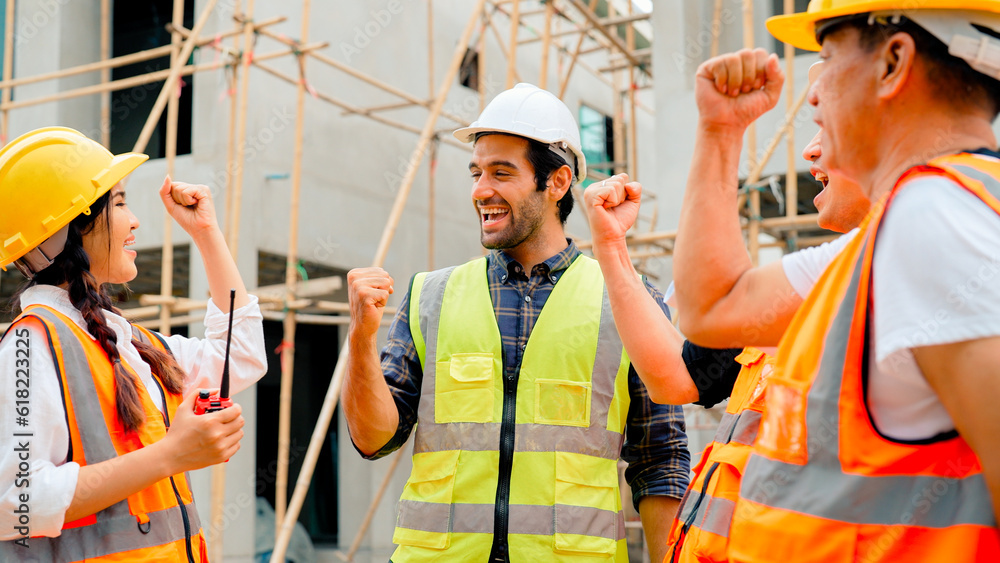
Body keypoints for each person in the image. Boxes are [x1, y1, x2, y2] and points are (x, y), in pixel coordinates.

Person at [343, 83, 741, 563]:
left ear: (556, 182)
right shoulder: (430, 296)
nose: (480, 190)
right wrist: (361, 339)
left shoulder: (629, 302)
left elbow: (660, 462)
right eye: (476, 172)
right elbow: (374, 439)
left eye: (501, 172)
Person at [726, 3, 1000, 560]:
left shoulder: (932, 212)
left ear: (894, 61)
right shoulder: (955, 202)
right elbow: (716, 309)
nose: (815, 94)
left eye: (826, 59)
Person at [583, 56, 869, 563]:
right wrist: (611, 249)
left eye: (826, 125)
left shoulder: (909, 264)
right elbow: (676, 375)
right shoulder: (809, 284)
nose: (810, 150)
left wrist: (721, 131)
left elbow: (710, 304)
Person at [0, 127, 268, 562]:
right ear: (73, 227)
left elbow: (240, 357)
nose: (135, 220)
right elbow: (15, 501)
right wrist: (171, 454)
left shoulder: (128, 342)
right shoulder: (31, 345)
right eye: (120, 202)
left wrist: (207, 234)